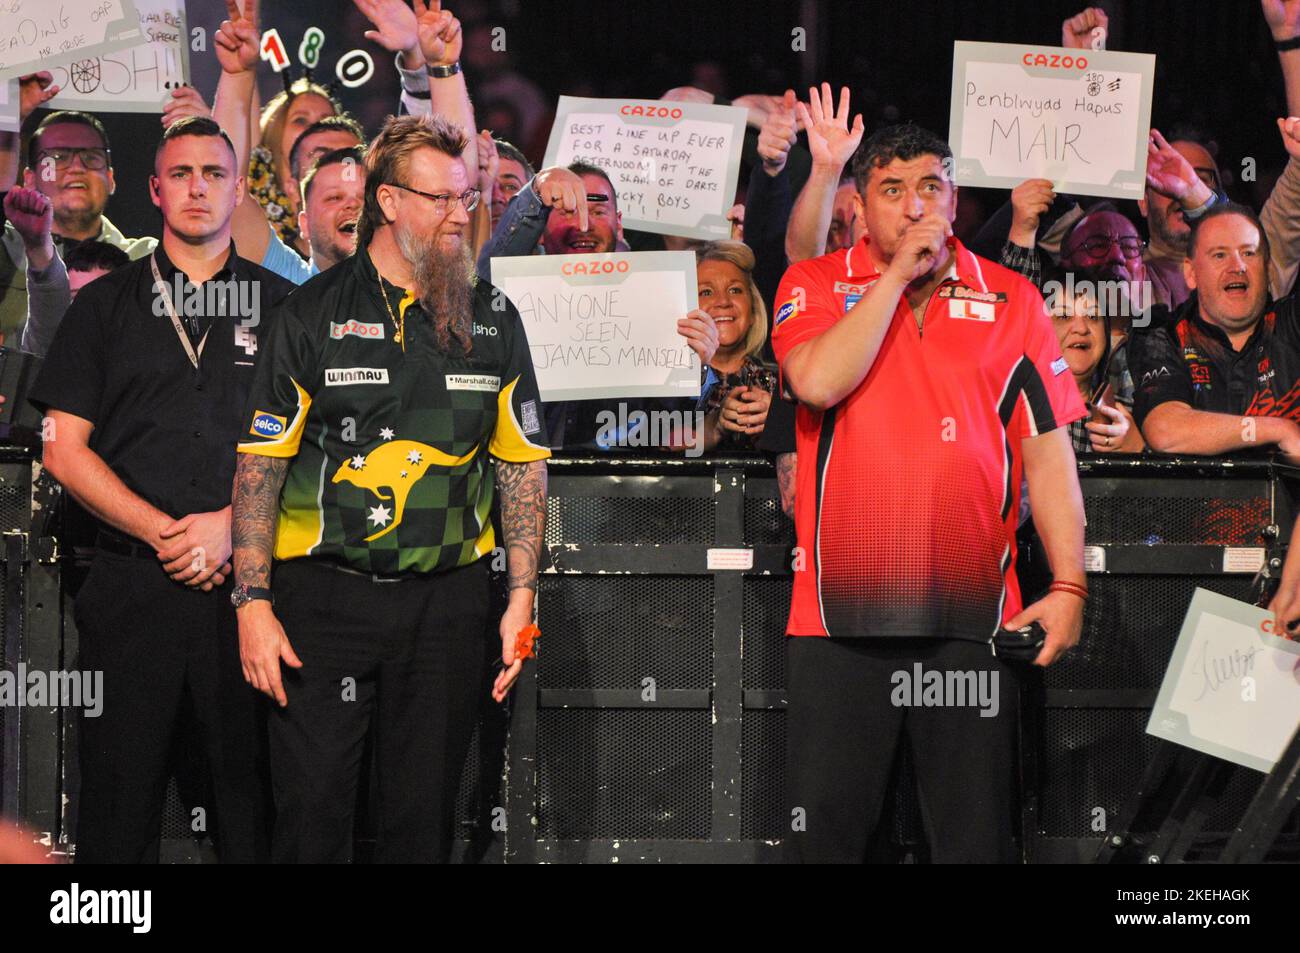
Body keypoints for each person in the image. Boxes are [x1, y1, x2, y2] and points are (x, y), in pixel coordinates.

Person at [231, 114, 550, 863]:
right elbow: (259, 467)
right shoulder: (310, 311)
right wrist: (251, 602)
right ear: (388, 201)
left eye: (465, 198)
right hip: (322, 601)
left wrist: (521, 596)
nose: (459, 215)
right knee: (311, 821)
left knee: (421, 825)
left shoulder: (493, 317)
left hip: (448, 606)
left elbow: (522, 465)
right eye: (439, 199)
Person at [773, 123, 1087, 863]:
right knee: (827, 847)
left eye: (930, 188)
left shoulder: (1013, 298)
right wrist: (891, 280)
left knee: (976, 845)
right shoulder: (813, 283)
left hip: (972, 625)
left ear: (954, 196)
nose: (915, 207)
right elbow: (816, 381)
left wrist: (1070, 583)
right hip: (838, 627)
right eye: (892, 190)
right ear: (859, 205)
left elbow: (1048, 456)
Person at [28, 116, 295, 863]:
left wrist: (229, 526)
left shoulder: (286, 308)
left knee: (251, 812)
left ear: (238, 190)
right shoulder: (102, 306)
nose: (197, 188)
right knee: (116, 812)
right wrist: (165, 532)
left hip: (251, 592)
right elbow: (62, 449)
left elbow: (316, 451)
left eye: (214, 174)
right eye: (181, 174)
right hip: (130, 586)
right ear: (153, 189)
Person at [476, 160, 719, 451]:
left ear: (619, 224)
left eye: (598, 211)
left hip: (619, 474)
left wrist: (697, 369)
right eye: (568, 211)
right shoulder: (511, 295)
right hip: (530, 467)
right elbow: (486, 278)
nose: (584, 224)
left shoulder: (660, 300)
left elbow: (670, 424)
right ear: (540, 228)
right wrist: (536, 194)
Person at [1131, 203, 1300, 459]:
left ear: (1267, 268)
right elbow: (1164, 430)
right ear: (1191, 273)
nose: (1238, 266)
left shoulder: (1291, 321)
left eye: (1249, 253)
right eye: (1220, 255)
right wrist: (1279, 430)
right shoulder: (1164, 335)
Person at [0, 107, 156, 338]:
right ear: (29, 179)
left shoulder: (147, 260)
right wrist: (11, 115)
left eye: (91, 157)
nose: (77, 168)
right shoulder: (4, 250)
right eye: (57, 157)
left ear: (111, 179)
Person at [694, 241, 776, 451]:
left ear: (753, 310)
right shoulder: (667, 389)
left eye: (735, 290)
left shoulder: (784, 386)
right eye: (706, 292)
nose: (723, 301)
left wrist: (780, 421)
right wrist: (714, 425)